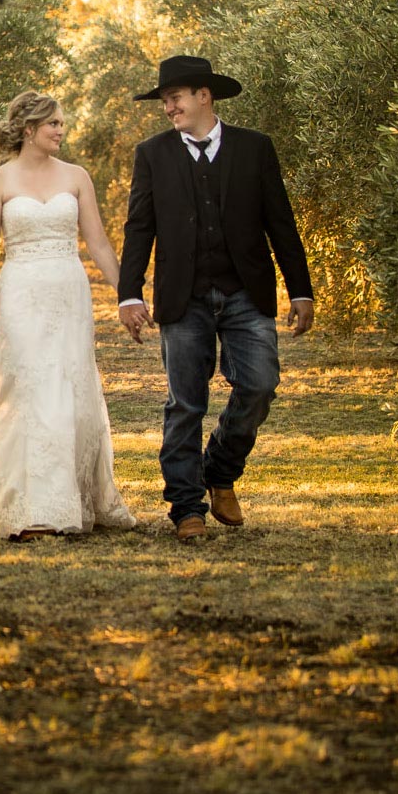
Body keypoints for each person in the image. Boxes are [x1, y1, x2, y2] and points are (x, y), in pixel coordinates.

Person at [117, 56, 315, 539]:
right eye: (164, 100)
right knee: (186, 403)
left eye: (175, 97)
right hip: (182, 297)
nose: (168, 107)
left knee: (260, 384)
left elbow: (280, 223)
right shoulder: (153, 154)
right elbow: (140, 226)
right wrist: (129, 294)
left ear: (204, 95)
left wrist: (301, 289)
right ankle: (186, 508)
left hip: (246, 292)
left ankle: (220, 470)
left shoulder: (255, 149)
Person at [0, 92, 137, 540]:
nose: (60, 131)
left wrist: (129, 295)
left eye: (62, 123)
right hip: (21, 293)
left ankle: (73, 494)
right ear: (28, 129)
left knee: (69, 386)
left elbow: (100, 245)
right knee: (27, 389)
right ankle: (28, 507)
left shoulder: (77, 177)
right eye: (52, 124)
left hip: (69, 292)